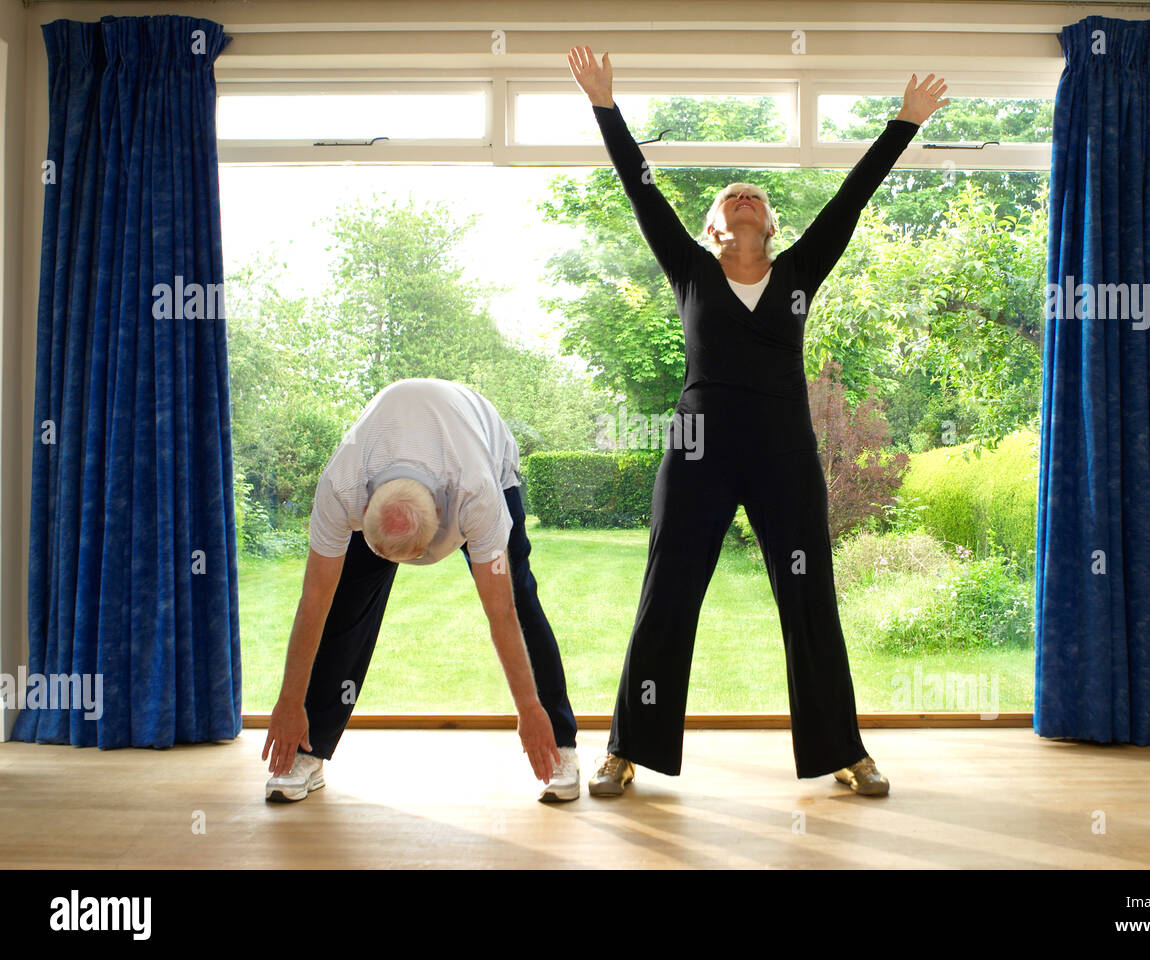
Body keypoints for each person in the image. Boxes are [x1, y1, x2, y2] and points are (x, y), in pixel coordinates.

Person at [567, 45, 949, 797]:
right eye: (731, 197)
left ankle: (845, 751)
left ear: (772, 224)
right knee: (668, 593)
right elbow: (641, 191)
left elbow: (851, 200)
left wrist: (903, 124)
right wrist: (605, 106)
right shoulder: (692, 271)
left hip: (782, 451)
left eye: (756, 196)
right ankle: (624, 750)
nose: (744, 198)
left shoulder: (800, 273)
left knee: (809, 597)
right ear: (713, 225)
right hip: (698, 447)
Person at [260, 377, 580, 802]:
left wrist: (527, 707)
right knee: (342, 607)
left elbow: (499, 612)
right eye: (383, 552)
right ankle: (309, 747)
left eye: (413, 555)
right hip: (397, 472)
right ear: (365, 513)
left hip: (483, 452)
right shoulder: (341, 487)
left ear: (442, 520)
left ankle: (557, 741)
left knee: (518, 600)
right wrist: (287, 702)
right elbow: (313, 601)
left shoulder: (476, 494)